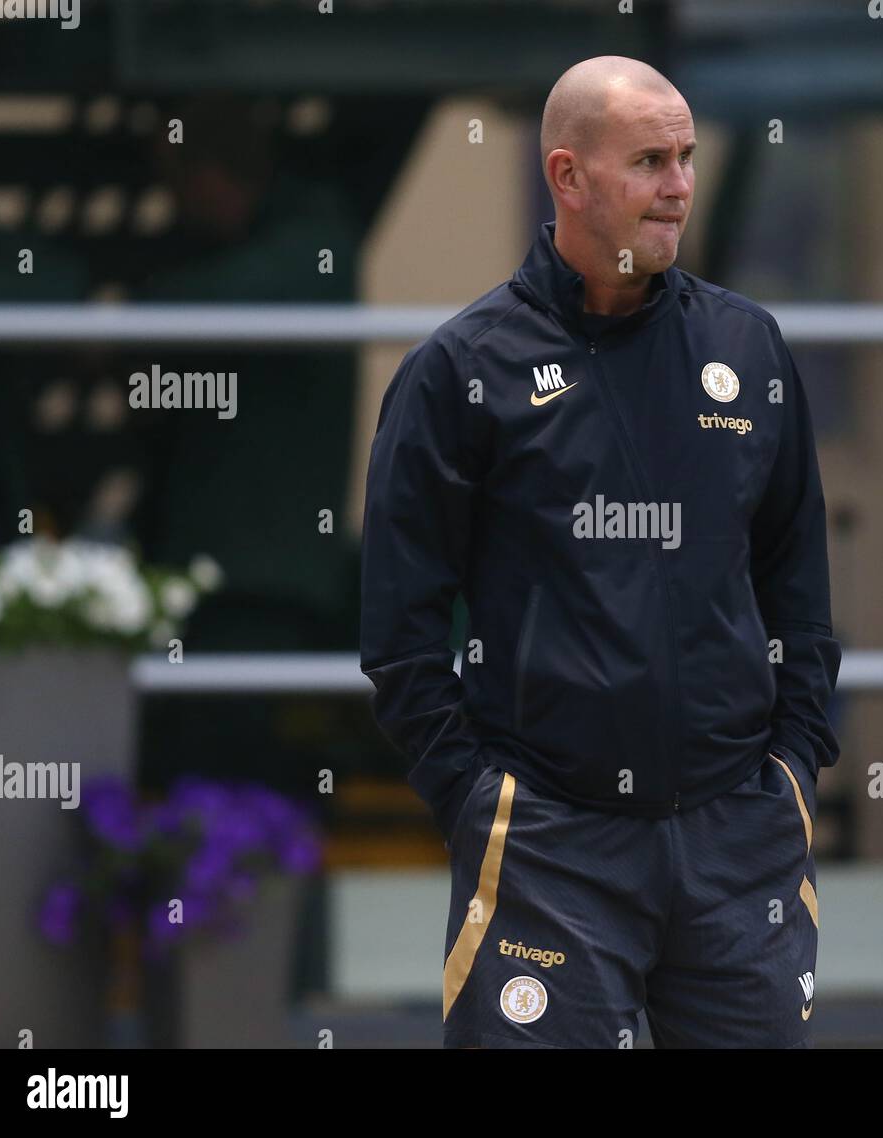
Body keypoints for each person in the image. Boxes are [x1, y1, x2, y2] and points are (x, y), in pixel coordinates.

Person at [360, 56, 841, 1048]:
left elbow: (798, 593)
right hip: (548, 850)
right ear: (568, 177)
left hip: (734, 843)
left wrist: (790, 772)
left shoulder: (748, 351)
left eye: (686, 159)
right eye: (649, 161)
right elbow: (401, 635)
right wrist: (479, 800)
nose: (677, 186)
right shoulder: (460, 372)